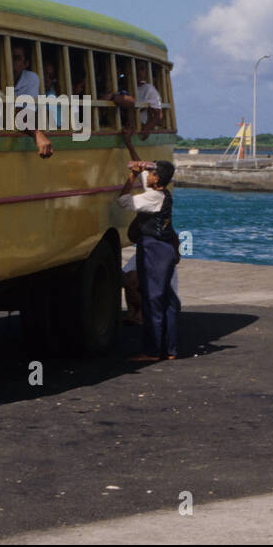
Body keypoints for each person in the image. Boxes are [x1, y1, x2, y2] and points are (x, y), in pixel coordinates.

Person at [117, 134, 180, 362]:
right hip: (164, 249)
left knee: (152, 299)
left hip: (153, 249)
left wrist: (130, 176)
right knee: (167, 300)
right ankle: (170, 348)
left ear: (158, 180)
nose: (148, 175)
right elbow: (144, 173)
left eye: (152, 173)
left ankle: (152, 351)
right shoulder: (162, 193)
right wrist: (131, 147)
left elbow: (123, 200)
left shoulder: (152, 197)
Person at [11, 43, 53, 158]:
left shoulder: (31, 78)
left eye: (16, 58)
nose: (10, 62)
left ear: (26, 64)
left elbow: (26, 114)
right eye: (9, 57)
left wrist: (37, 134)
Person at [134, 63, 163, 140]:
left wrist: (147, 128)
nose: (138, 72)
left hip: (139, 125)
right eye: (136, 69)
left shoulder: (149, 89)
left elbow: (158, 115)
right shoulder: (126, 87)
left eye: (142, 69)